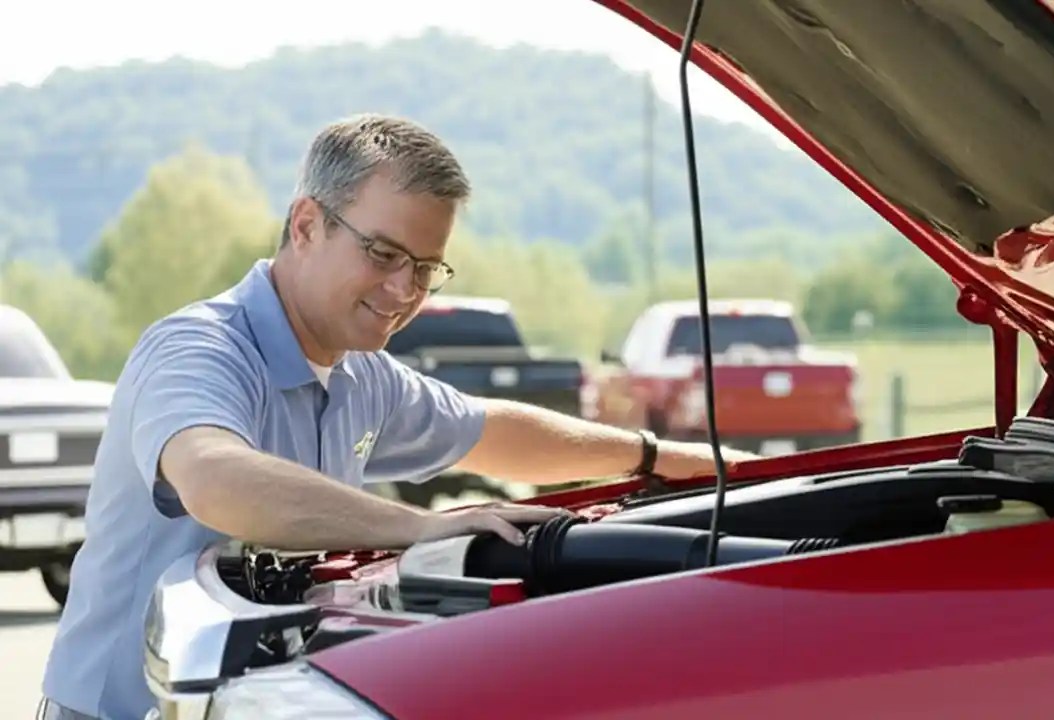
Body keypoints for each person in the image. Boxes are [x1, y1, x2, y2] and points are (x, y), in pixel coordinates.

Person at [38, 113, 757, 720]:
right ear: (307, 224)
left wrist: (652, 455)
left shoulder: (361, 377)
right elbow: (215, 478)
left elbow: (491, 430)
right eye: (383, 253)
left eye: (425, 266)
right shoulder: (199, 349)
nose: (403, 289)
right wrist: (422, 527)